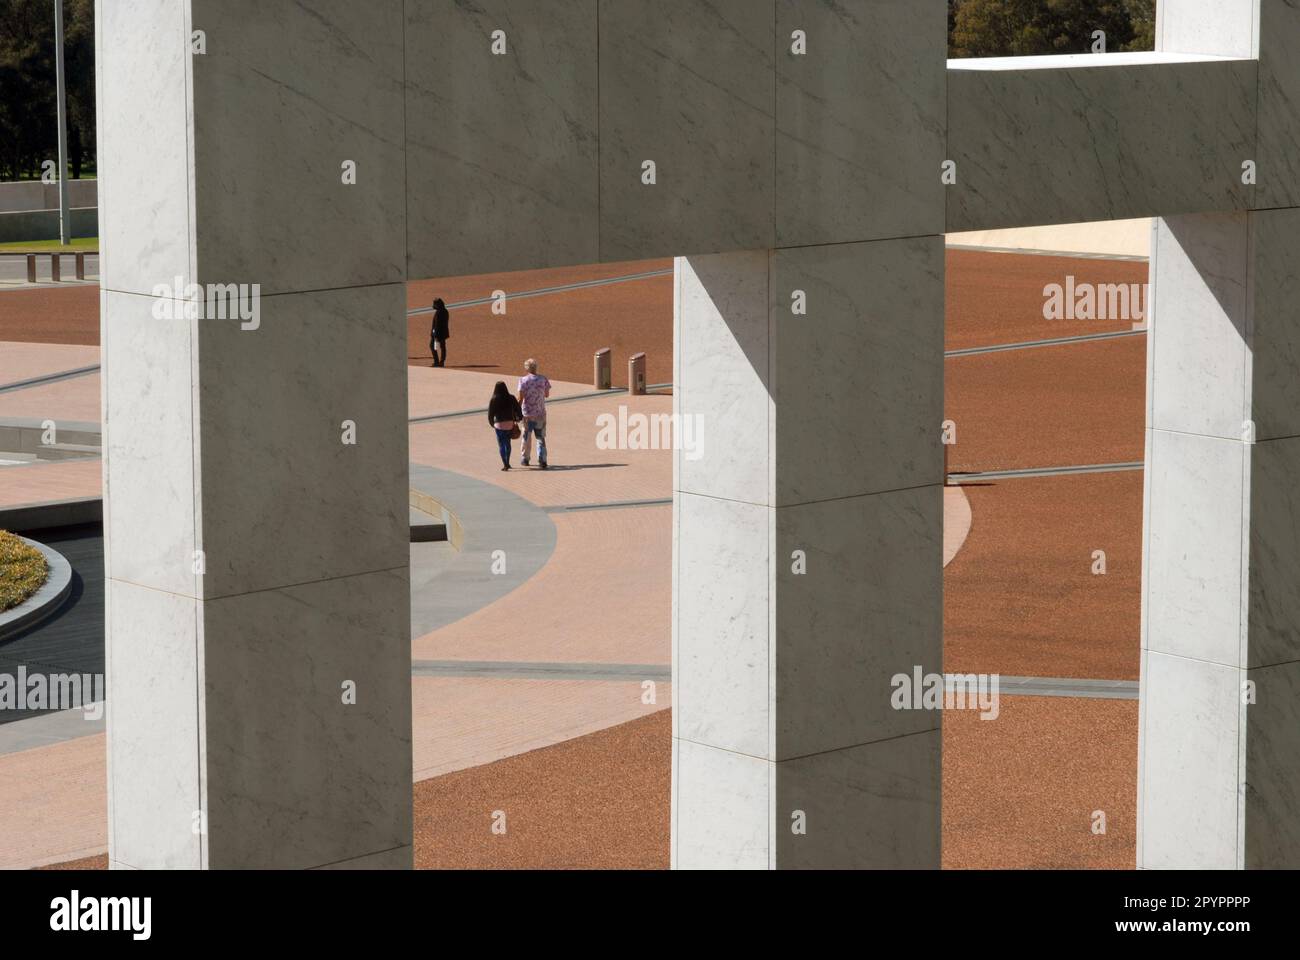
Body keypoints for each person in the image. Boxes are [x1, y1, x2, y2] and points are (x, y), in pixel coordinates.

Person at [517, 358, 551, 469]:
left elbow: (520, 398)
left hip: (527, 413)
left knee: (526, 436)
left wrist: (516, 411)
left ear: (526, 368)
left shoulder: (523, 380)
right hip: (540, 412)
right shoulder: (543, 379)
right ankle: (542, 459)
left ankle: (525, 458)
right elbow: (547, 394)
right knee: (540, 437)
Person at [488, 381, 522, 471]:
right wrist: (519, 418)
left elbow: (490, 414)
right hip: (509, 423)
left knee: (501, 445)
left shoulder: (494, 399)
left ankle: (505, 464)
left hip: (498, 425)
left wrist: (492, 423)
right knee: (508, 443)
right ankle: (508, 461)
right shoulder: (511, 397)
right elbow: (518, 408)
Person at [430, 298, 450, 367]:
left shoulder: (438, 312)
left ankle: (437, 361)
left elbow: (437, 325)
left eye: (434, 304)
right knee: (443, 347)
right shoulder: (445, 311)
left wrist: (435, 335)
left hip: (437, 334)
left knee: (432, 346)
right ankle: (441, 362)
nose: (433, 306)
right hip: (443, 333)